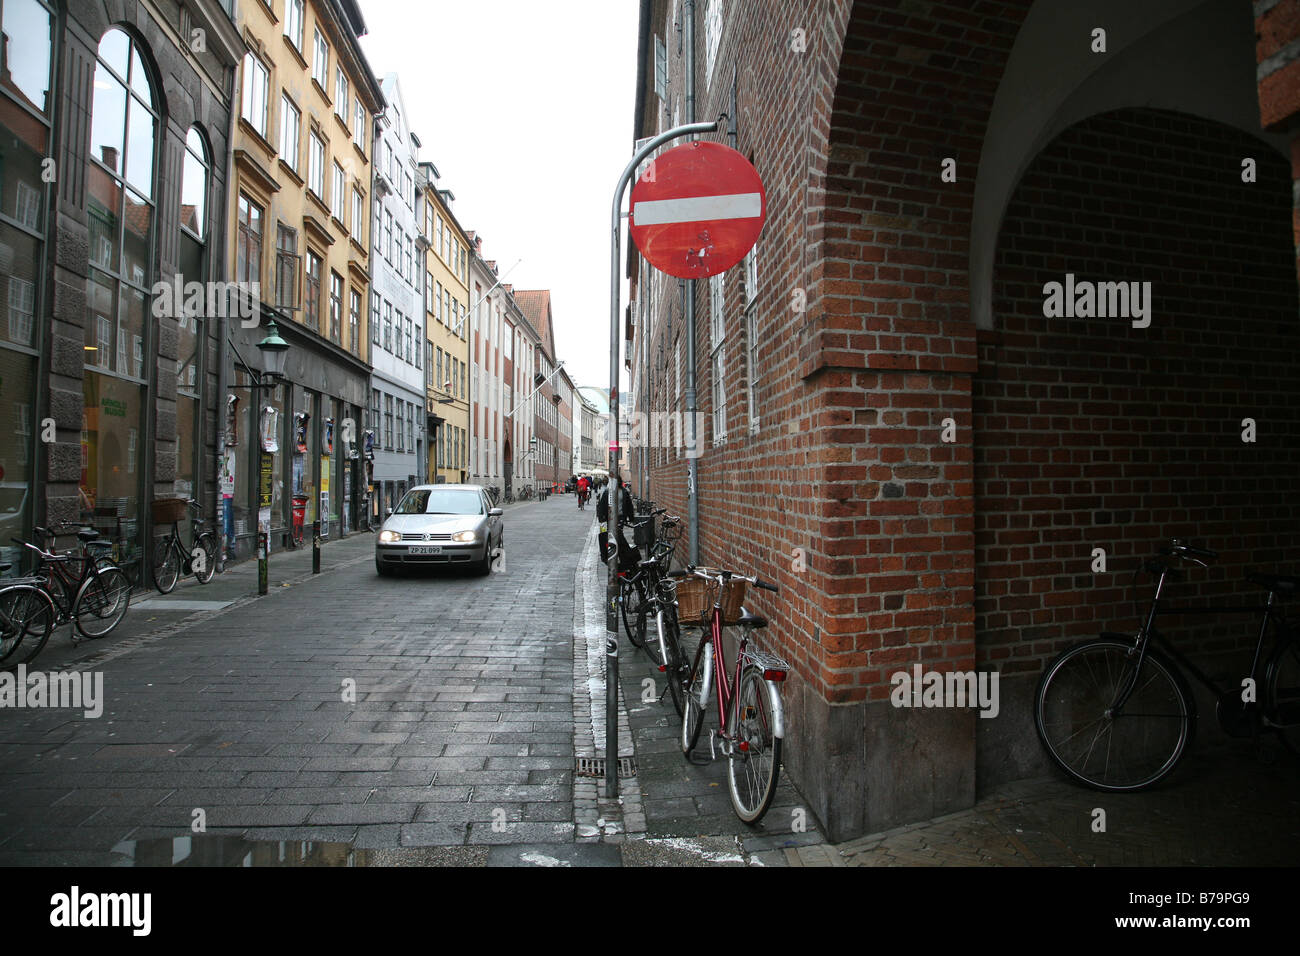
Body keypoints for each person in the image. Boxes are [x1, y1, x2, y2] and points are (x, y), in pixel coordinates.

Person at [595, 478, 636, 571]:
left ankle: (618, 556)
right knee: (613, 536)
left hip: (620, 517)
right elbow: (602, 505)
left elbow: (629, 505)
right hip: (610, 518)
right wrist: (602, 518)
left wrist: (631, 517)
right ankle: (615, 556)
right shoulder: (607, 492)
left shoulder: (623, 491)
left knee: (617, 535)